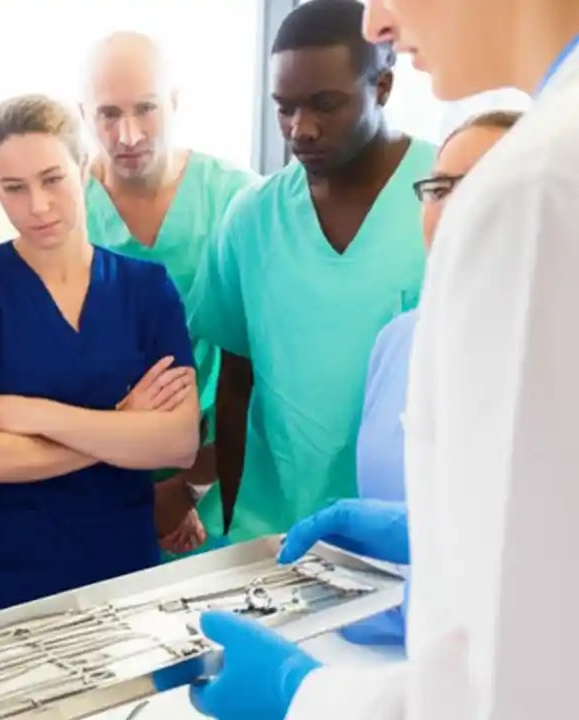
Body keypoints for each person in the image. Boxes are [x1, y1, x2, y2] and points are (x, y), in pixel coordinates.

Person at [184, 1, 579, 718]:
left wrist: (301, 697)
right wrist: (442, 533)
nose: (377, 24)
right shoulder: (542, 166)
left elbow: (506, 676)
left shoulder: (531, 183)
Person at [0, 94, 201, 624]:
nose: (38, 206)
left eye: (52, 179)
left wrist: (39, 416)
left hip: (122, 582)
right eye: (14, 189)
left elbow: (179, 443)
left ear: (84, 169)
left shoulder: (147, 289)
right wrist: (121, 429)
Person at [189, 0, 435, 542]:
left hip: (413, 531)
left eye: (325, 105)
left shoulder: (448, 196)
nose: (301, 130)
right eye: (285, 108)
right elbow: (235, 383)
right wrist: (232, 528)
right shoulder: (251, 218)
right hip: (273, 529)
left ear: (384, 88)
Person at [345, 108, 520, 648]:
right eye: (439, 188)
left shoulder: (553, 357)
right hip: (378, 655)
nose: (450, 210)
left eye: (483, 187)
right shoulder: (398, 342)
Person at [81, 31, 260, 556]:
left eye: (146, 109)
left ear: (175, 103)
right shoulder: (66, 207)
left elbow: (259, 366)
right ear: (83, 114)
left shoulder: (237, 200)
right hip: (98, 470)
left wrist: (188, 485)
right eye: (108, 114)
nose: (128, 134)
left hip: (217, 473)